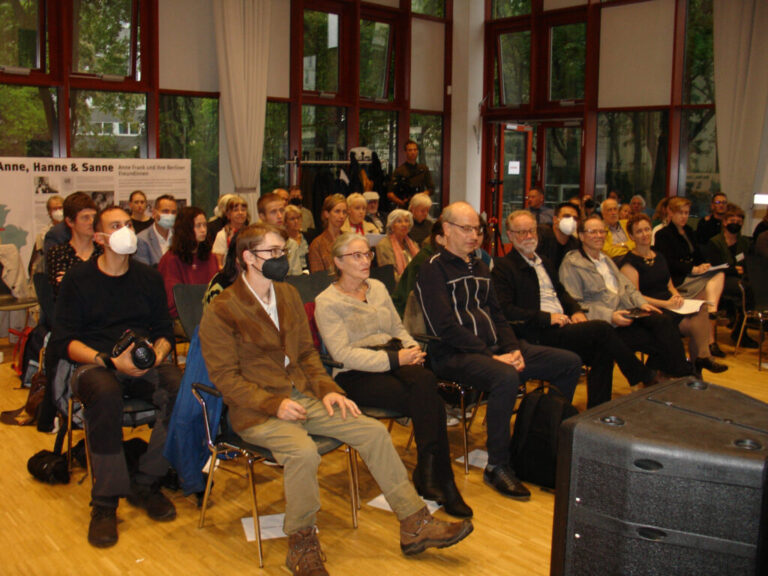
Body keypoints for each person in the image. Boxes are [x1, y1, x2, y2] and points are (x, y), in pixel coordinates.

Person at [199, 223, 472, 574]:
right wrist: (274, 404)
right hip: (257, 410)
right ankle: (302, 542)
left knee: (372, 432)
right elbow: (226, 379)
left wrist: (329, 390)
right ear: (248, 258)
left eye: (283, 251)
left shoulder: (287, 295)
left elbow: (308, 355)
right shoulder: (222, 309)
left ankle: (414, 523)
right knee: (303, 452)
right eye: (273, 253)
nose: (281, 259)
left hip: (301, 394)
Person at [417, 202, 582, 500]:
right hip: (453, 355)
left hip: (494, 350)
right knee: (506, 377)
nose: (474, 235)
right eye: (465, 229)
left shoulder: (480, 266)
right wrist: (492, 355)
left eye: (477, 229)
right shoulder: (432, 270)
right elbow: (444, 327)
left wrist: (512, 347)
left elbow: (499, 315)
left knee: (569, 363)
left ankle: (538, 441)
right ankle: (497, 465)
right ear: (446, 231)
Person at [315, 233, 472, 518]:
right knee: (429, 396)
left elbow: (397, 328)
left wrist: (411, 347)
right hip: (356, 375)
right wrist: (395, 359)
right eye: (357, 256)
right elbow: (342, 354)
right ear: (338, 261)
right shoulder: (327, 302)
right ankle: (438, 481)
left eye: (368, 254)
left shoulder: (376, 287)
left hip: (394, 359)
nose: (366, 261)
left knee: (424, 383)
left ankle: (433, 477)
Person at [51, 206, 180, 548]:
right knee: (105, 394)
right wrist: (109, 361)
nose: (125, 230)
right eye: (116, 225)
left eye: (128, 224)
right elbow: (64, 341)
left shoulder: (149, 277)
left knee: (178, 388)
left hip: (143, 362)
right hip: (94, 364)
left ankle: (147, 480)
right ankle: (105, 503)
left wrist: (158, 354)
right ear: (99, 238)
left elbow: (164, 330)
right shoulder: (79, 279)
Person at [493, 211, 658, 408]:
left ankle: (598, 410)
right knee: (602, 329)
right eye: (521, 232)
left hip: (563, 326)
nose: (528, 236)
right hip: (536, 331)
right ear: (510, 235)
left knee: (602, 349)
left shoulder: (544, 261)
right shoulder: (504, 267)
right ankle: (641, 375)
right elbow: (505, 310)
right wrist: (547, 318)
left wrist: (576, 310)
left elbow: (562, 293)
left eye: (531, 231)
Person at [559, 214, 693, 379]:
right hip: (603, 321)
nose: (599, 236)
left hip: (626, 312)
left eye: (602, 232)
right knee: (659, 339)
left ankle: (676, 371)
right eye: (593, 232)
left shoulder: (606, 260)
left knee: (663, 320)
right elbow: (574, 304)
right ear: (581, 236)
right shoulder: (572, 264)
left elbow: (628, 288)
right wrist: (610, 316)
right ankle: (667, 374)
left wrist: (642, 303)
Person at [620, 214, 728, 374]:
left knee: (702, 309)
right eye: (639, 231)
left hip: (670, 304)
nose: (645, 234)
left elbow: (669, 284)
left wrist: (676, 295)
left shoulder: (658, 255)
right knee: (696, 328)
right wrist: (667, 304)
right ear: (631, 236)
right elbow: (635, 296)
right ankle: (698, 365)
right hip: (650, 309)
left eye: (647, 229)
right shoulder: (629, 263)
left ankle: (700, 360)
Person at [653, 196, 726, 356]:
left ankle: (704, 349)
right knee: (707, 295)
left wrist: (704, 265)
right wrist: (693, 269)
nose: (684, 216)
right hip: (677, 279)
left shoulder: (689, 232)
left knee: (718, 275)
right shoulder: (663, 234)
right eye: (681, 213)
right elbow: (668, 263)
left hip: (693, 277)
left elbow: (698, 256)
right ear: (670, 212)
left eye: (687, 213)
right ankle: (706, 347)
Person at [705, 203, 758, 348]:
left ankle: (741, 329)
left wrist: (738, 270)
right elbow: (716, 266)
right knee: (746, 290)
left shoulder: (745, 243)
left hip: (742, 279)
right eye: (732, 221)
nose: (735, 225)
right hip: (720, 279)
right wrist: (735, 270)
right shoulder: (715, 242)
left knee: (752, 289)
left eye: (739, 222)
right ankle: (739, 328)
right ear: (725, 222)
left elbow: (750, 264)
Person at [157, 206, 219, 328]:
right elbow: (173, 301)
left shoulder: (210, 257)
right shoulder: (171, 260)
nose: (203, 230)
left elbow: (216, 289)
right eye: (198, 226)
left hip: (210, 313)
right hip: (183, 317)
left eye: (204, 225)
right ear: (186, 229)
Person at [46, 193, 102, 296]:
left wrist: (71, 280)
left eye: (94, 217)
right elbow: (62, 292)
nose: (92, 222)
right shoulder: (58, 253)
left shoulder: (103, 252)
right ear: (70, 222)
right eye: (85, 218)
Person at [388, 140, 434, 210]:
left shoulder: (423, 169)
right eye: (410, 150)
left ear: (417, 151)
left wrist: (419, 197)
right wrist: (401, 202)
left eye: (415, 150)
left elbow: (431, 189)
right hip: (404, 207)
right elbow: (390, 193)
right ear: (406, 152)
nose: (413, 152)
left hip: (420, 206)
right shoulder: (399, 171)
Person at [376, 209, 420, 281]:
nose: (404, 224)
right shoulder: (383, 245)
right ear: (391, 226)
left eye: (406, 221)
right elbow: (389, 275)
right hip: (397, 286)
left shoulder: (413, 244)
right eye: (399, 221)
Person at [308, 194, 347, 273]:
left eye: (344, 212)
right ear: (326, 214)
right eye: (337, 211)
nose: (342, 216)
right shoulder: (317, 245)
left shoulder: (349, 239)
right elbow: (318, 277)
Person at [135, 195, 178, 267]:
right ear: (154, 213)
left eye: (173, 212)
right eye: (165, 211)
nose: (170, 215)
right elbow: (144, 272)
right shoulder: (142, 240)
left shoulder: (180, 236)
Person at [536, 201, 581, 270]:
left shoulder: (575, 245)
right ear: (555, 220)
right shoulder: (540, 236)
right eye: (567, 216)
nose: (571, 220)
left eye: (575, 218)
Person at [29, 194, 64, 276]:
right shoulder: (44, 234)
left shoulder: (73, 230)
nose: (58, 211)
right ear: (49, 212)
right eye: (54, 209)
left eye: (60, 208)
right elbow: (33, 262)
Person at [212, 195, 249, 268]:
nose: (240, 213)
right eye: (236, 210)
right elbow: (218, 264)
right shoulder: (222, 235)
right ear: (228, 215)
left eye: (243, 210)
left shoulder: (251, 233)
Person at [284, 204, 309, 273]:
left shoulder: (308, 237)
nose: (296, 221)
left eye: (298, 218)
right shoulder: (284, 241)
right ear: (285, 222)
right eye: (292, 219)